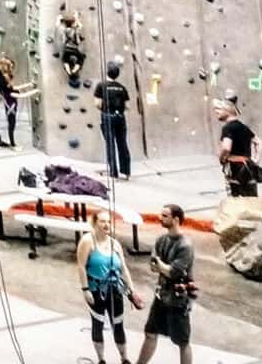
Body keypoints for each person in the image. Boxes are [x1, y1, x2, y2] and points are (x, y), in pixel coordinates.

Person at [77, 208, 140, 364]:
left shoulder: (115, 244)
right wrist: (85, 290)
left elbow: (123, 268)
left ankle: (124, 358)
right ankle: (101, 359)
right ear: (95, 223)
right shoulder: (87, 241)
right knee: (97, 324)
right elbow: (81, 266)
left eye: (108, 222)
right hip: (96, 290)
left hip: (115, 290)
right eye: (102, 221)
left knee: (118, 325)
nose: (106, 225)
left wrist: (132, 290)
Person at [134, 204, 194, 364]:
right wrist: (163, 266)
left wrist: (162, 266)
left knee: (182, 341)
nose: (161, 218)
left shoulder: (185, 246)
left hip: (178, 298)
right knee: (150, 332)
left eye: (165, 216)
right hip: (161, 295)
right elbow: (154, 266)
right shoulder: (161, 240)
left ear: (175, 219)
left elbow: (174, 272)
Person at [216, 95, 261, 198]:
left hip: (234, 167)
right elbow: (258, 142)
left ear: (227, 111)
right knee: (251, 198)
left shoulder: (227, 128)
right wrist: (256, 160)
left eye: (219, 110)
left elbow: (226, 147)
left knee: (234, 199)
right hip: (248, 166)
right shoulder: (243, 127)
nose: (217, 112)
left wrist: (222, 158)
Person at [95, 61, 133, 180]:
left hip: (107, 116)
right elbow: (127, 106)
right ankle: (126, 172)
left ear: (107, 72)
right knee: (122, 143)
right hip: (120, 118)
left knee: (110, 144)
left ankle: (113, 173)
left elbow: (97, 104)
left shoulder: (101, 85)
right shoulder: (122, 88)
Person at [60, 10, 88, 86]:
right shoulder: (76, 30)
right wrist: (77, 19)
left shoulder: (64, 30)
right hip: (75, 49)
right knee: (80, 59)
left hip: (66, 49)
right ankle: (74, 70)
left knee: (65, 59)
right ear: (73, 23)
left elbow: (63, 41)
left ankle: (68, 72)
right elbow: (78, 42)